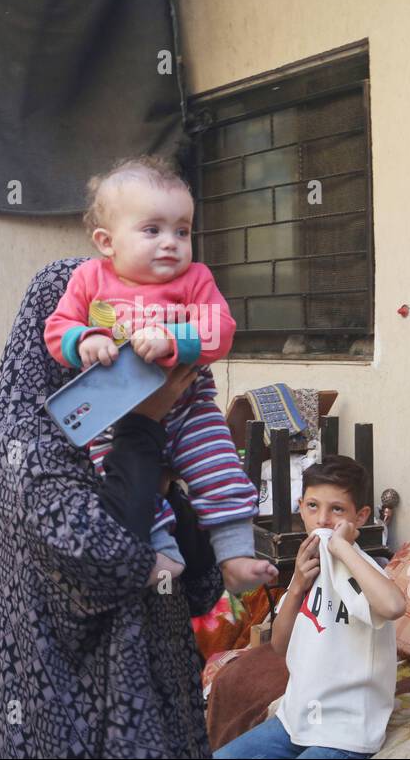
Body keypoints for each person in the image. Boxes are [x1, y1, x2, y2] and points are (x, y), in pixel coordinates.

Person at [0, 258, 225, 758]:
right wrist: (144, 424)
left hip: (160, 690)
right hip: (65, 709)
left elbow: (197, 582)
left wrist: (173, 461)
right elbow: (105, 557)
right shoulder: (26, 439)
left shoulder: (156, 408)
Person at [43, 155, 276, 597]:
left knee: (221, 469)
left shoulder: (195, 279)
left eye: (182, 230)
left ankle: (235, 555)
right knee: (128, 480)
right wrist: (85, 340)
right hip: (115, 414)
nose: (171, 242)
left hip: (190, 409)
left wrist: (174, 339)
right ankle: (160, 550)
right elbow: (58, 329)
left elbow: (221, 330)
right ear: (106, 241)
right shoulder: (88, 279)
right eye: (152, 230)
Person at [213, 455, 407, 759]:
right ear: (300, 507)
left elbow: (394, 605)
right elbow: (279, 644)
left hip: (345, 733)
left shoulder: (358, 568)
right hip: (295, 721)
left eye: (337, 510)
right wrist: (298, 585)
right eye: (313, 506)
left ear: (360, 516)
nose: (322, 520)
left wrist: (342, 546)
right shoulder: (311, 562)